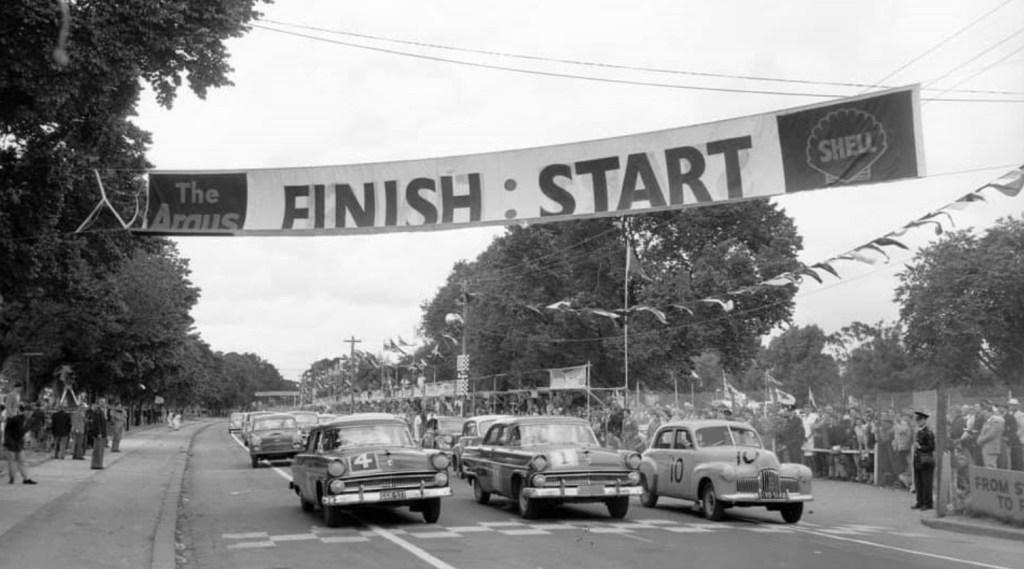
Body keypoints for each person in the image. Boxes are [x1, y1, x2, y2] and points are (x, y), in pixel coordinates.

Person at [4, 404, 37, 484]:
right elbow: (7, 429)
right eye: (27, 411)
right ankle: (12, 478)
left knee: (22, 460)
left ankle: (26, 478)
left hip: (19, 441)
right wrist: (6, 440)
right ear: (24, 411)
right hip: (11, 441)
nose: (29, 413)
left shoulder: (31, 420)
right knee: (11, 460)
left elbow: (25, 431)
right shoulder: (15, 419)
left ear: (32, 413)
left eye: (30, 412)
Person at [911, 410, 935, 510]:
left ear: (924, 420)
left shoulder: (928, 433)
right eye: (917, 420)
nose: (918, 422)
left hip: (925, 459)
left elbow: (931, 447)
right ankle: (919, 501)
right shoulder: (918, 432)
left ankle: (928, 503)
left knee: (926, 482)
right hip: (918, 460)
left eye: (920, 419)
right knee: (918, 482)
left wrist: (920, 447)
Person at [976, 402, 1005, 469]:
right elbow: (982, 433)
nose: (984, 415)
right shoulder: (987, 421)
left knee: (991, 466)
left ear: (991, 413)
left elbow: (991, 434)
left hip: (992, 447)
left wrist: (980, 440)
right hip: (986, 446)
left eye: (986, 413)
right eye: (983, 413)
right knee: (987, 465)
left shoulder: (997, 421)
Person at [88, 400, 108, 470]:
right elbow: (97, 423)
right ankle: (96, 465)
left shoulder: (101, 411)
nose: (104, 403)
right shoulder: (97, 412)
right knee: (97, 450)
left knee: (101, 450)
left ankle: (99, 464)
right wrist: (99, 433)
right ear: (99, 403)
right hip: (99, 433)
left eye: (104, 402)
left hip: (102, 433)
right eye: (102, 402)